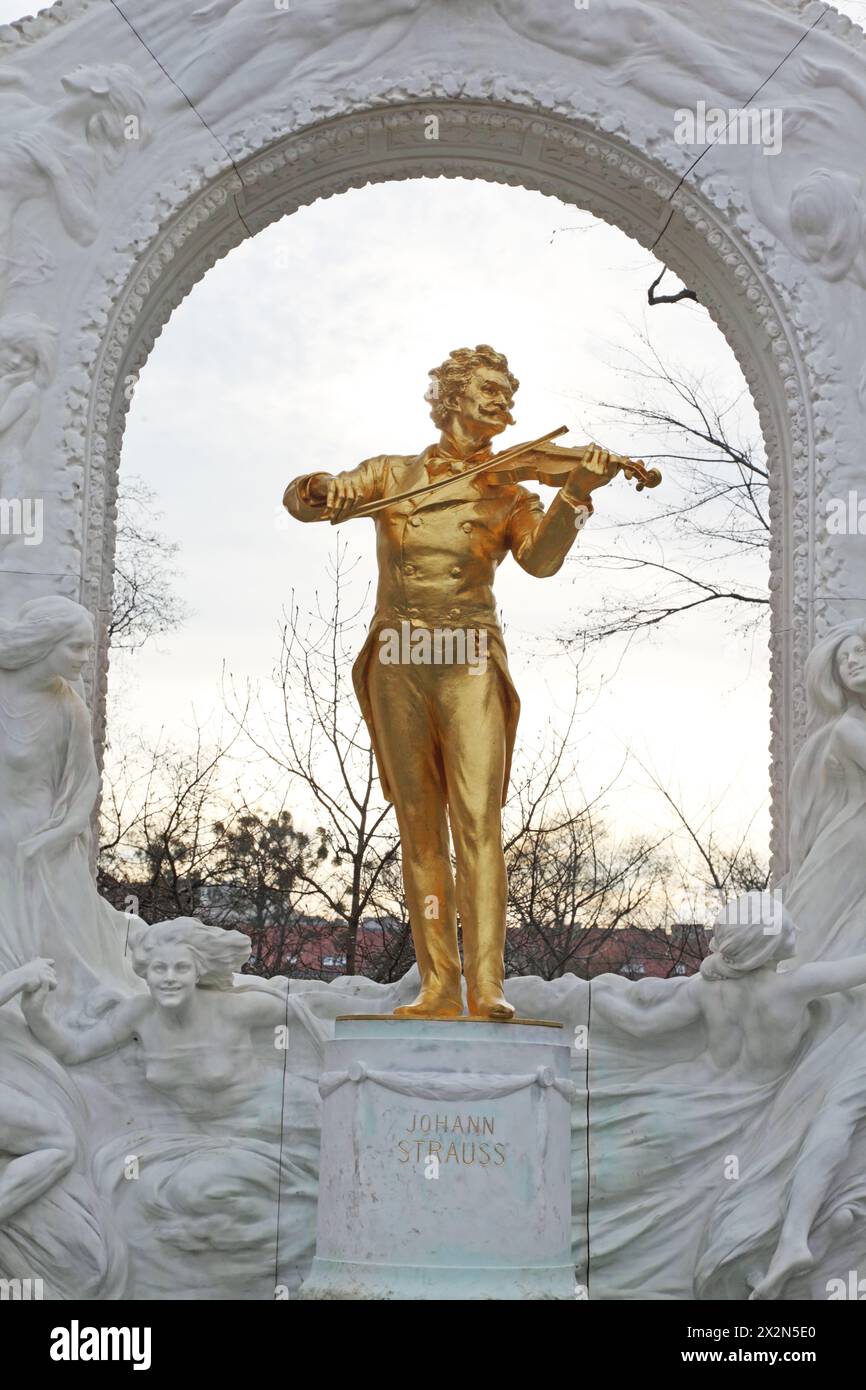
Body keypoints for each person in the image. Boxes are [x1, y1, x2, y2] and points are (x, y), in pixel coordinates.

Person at [285, 344, 619, 1018]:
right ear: (451, 397)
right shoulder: (391, 474)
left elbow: (542, 562)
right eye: (489, 391)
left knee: (478, 819)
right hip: (399, 656)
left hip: (467, 656)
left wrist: (576, 492)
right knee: (418, 827)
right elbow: (313, 502)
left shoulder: (512, 491)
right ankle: (439, 982)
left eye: (507, 394)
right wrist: (316, 489)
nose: (504, 404)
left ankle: (487, 983)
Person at [0, 595, 137, 996]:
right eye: (75, 646)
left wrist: (52, 839)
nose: (84, 657)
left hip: (44, 847)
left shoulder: (69, 709)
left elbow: (84, 790)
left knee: (75, 968)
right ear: (46, 641)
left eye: (88, 646)